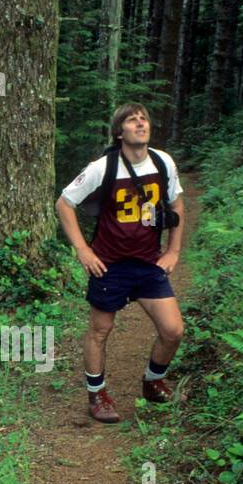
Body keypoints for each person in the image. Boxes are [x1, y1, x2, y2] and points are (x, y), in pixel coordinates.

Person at [55, 103, 185, 423]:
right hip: (110, 264)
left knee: (173, 330)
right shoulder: (103, 167)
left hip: (148, 264)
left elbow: (176, 203)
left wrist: (173, 251)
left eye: (144, 119)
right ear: (119, 131)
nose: (141, 123)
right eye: (132, 120)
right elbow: (64, 203)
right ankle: (96, 394)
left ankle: (153, 383)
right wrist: (83, 250)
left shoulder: (162, 161)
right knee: (101, 330)